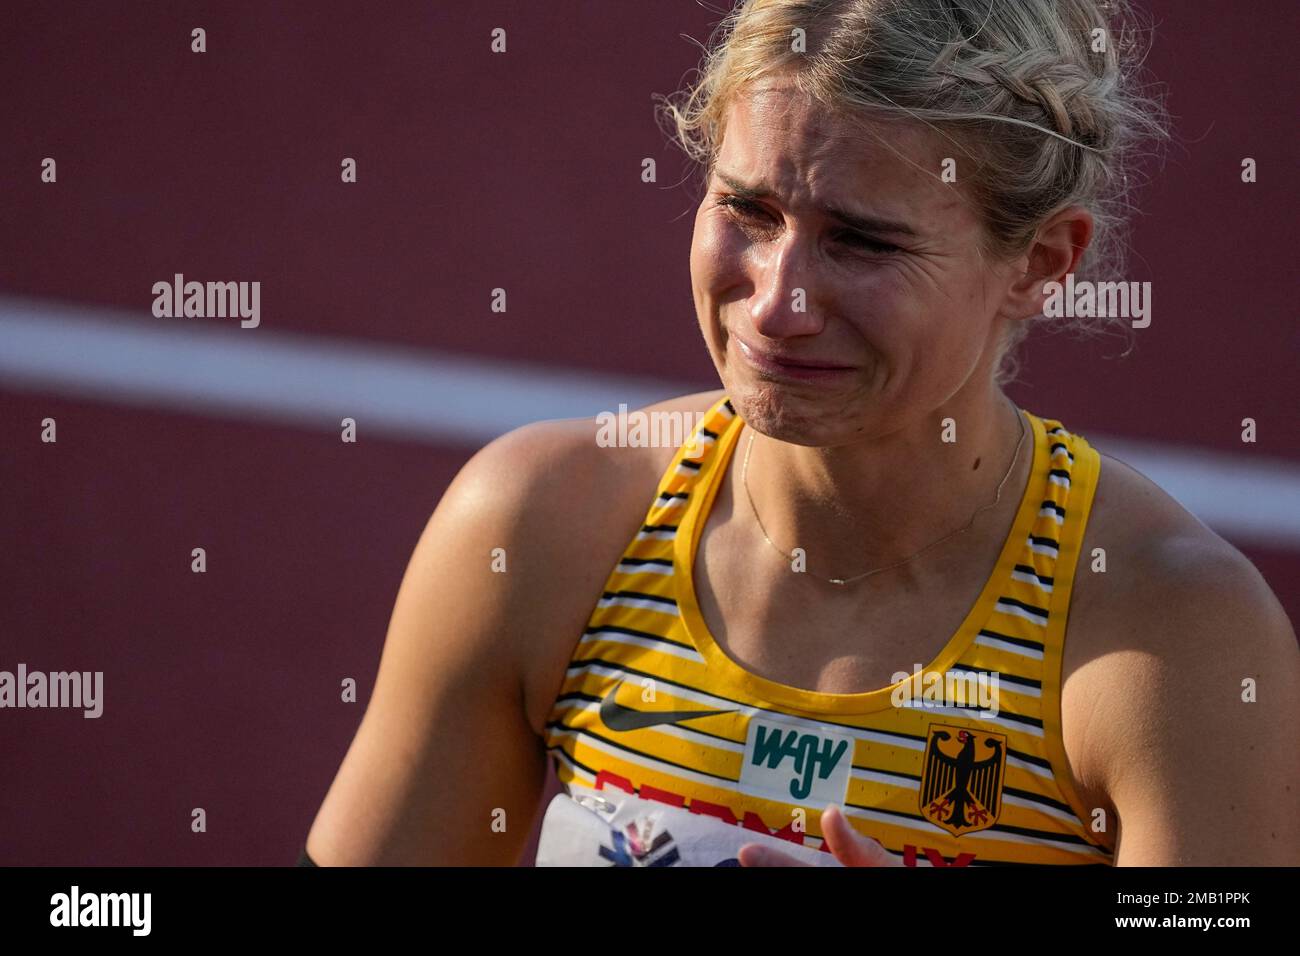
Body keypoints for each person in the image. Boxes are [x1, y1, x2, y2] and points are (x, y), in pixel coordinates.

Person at [301, 0, 1299, 867]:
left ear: (1040, 260)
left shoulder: (1171, 638)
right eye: (746, 208)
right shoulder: (536, 524)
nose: (775, 305)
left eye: (860, 240)